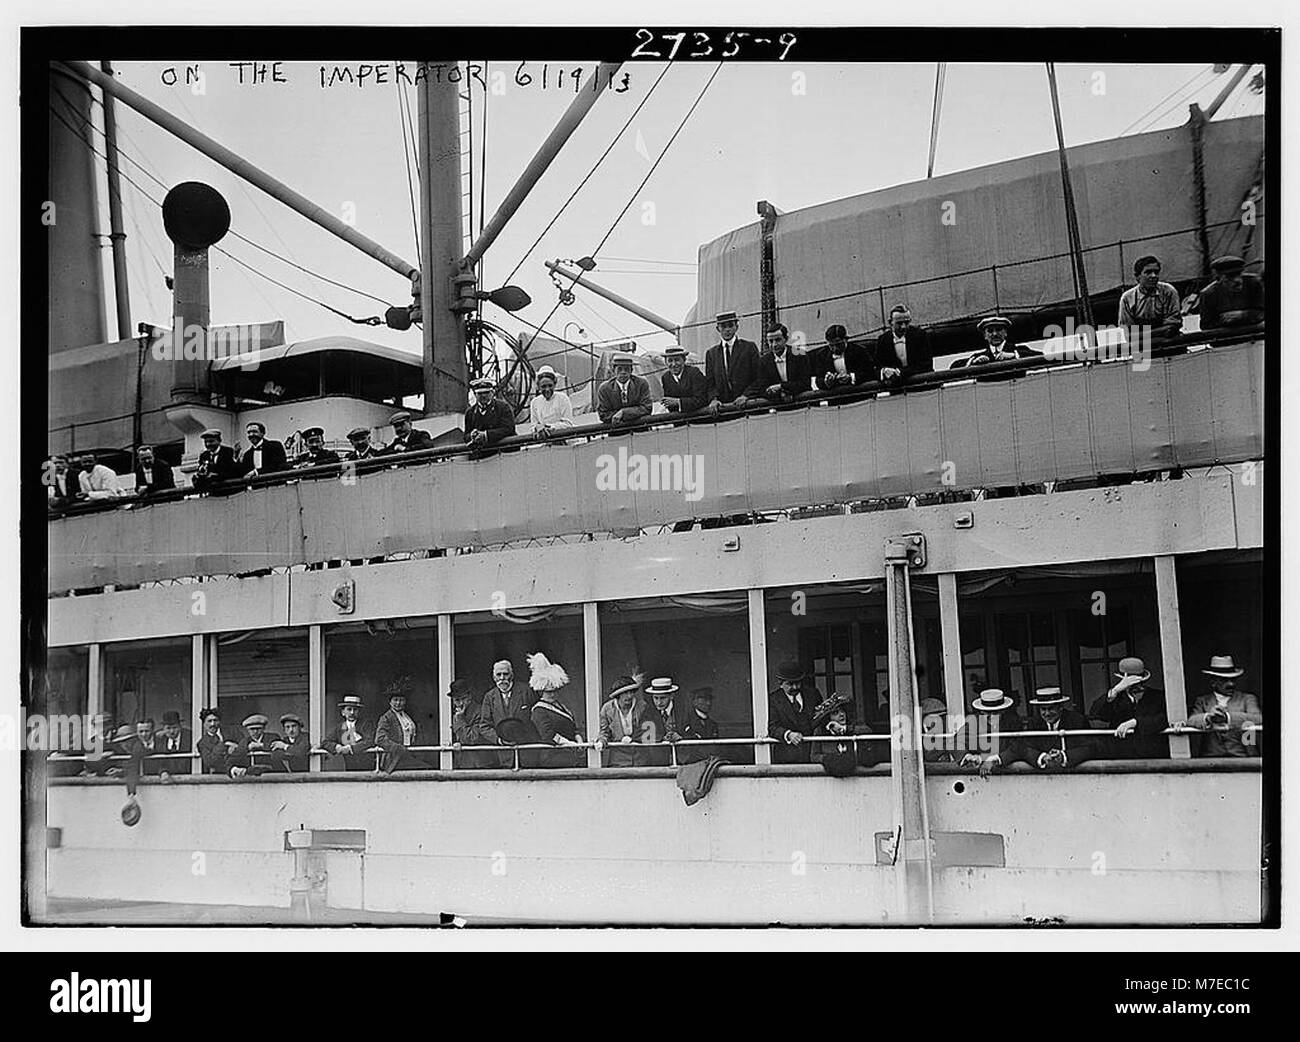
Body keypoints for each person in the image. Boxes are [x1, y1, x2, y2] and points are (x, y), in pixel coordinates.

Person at [1090, 656, 1169, 759]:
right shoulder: (1116, 698)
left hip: (1151, 755)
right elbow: (1097, 714)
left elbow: (1164, 719)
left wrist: (1136, 722)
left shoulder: (1157, 697)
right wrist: (1114, 691)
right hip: (1121, 754)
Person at [1185, 654, 1262, 758]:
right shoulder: (1202, 701)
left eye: (1233, 680)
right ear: (1213, 682)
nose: (1231, 684)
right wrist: (1208, 717)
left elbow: (1258, 718)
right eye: (1224, 680)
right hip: (1210, 759)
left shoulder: (1247, 699)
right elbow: (1191, 720)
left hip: (1243, 757)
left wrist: (1227, 717)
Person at [527, 652, 585, 768]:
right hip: (552, 756)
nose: (553, 694)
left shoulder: (562, 706)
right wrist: (568, 744)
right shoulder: (539, 710)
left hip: (570, 753)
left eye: (555, 691)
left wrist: (579, 740)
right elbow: (548, 734)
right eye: (549, 692)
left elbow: (573, 728)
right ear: (541, 691)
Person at [1021, 687, 1094, 771]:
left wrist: (1063, 756)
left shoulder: (1077, 721)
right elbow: (1024, 748)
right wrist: (1042, 757)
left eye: (1051, 708)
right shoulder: (1033, 723)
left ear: (1061, 707)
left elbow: (1089, 748)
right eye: (1043, 709)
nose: (1047, 713)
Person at [956, 688, 1026, 775]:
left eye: (995, 713)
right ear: (982, 712)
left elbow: (1018, 747)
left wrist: (994, 760)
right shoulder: (974, 723)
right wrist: (967, 756)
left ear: (1003, 711)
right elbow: (957, 741)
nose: (992, 716)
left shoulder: (1013, 723)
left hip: (1010, 774)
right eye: (987, 713)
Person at [478, 659, 534, 765]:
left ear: (511, 675)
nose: (502, 678)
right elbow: (484, 726)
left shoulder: (526, 691)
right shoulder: (489, 697)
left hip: (526, 752)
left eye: (505, 674)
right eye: (499, 675)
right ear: (494, 678)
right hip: (504, 756)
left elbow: (535, 718)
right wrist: (499, 740)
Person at [704, 310, 762, 411]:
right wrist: (714, 399)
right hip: (724, 409)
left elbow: (759, 377)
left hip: (747, 407)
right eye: (723, 326)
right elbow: (710, 383)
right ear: (718, 329)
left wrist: (746, 396)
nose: (727, 330)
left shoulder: (749, 348)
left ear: (736, 327)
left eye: (730, 326)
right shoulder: (711, 354)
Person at [812, 692, 882, 775]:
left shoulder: (852, 725)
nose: (841, 715)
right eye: (835, 713)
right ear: (828, 718)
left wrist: (845, 728)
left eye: (842, 711)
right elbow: (814, 756)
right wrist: (829, 759)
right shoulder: (820, 731)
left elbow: (867, 730)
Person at [1116, 255, 1183, 342]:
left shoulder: (1169, 292)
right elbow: (1129, 335)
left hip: (1170, 344)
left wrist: (1141, 335)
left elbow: (1172, 327)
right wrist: (1161, 331)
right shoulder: (1127, 298)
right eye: (1148, 272)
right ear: (1137, 276)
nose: (1153, 276)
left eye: (1156, 272)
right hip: (1142, 348)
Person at [375, 679, 433, 774]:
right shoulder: (386, 718)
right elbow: (380, 739)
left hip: (408, 755)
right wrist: (398, 748)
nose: (398, 703)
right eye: (395, 700)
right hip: (394, 758)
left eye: (401, 700)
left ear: (405, 702)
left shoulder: (407, 716)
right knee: (426, 769)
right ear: (390, 702)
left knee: (427, 769)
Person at [768, 659, 818, 764]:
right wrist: (788, 734)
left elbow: (822, 719)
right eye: (790, 684)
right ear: (780, 683)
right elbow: (772, 727)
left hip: (813, 755)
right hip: (787, 758)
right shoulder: (773, 700)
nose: (795, 687)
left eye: (798, 683)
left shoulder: (813, 694)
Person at [596, 675, 651, 767]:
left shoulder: (642, 706)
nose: (629, 696)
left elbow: (648, 733)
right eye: (625, 693)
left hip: (640, 759)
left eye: (631, 692)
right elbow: (605, 732)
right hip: (618, 760)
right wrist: (601, 741)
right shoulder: (607, 709)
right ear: (618, 695)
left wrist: (634, 739)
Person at [1198, 255, 1264, 331]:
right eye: (1230, 276)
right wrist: (1226, 322)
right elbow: (1206, 326)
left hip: (1255, 336)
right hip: (1226, 340)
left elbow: (1262, 313)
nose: (1237, 280)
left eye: (1239, 274)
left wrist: (1242, 315)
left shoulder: (1254, 283)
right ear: (1218, 278)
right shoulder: (1208, 294)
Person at [951, 316, 1040, 369]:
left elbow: (1041, 356)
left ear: (1005, 333)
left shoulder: (1018, 350)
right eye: (990, 331)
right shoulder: (978, 356)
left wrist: (1014, 355)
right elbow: (954, 366)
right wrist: (973, 362)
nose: (994, 334)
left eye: (998, 330)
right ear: (985, 336)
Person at [874, 305, 934, 383]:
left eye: (906, 322)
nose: (903, 327)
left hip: (921, 385)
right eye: (899, 323)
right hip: (896, 389)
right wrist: (884, 371)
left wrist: (900, 372)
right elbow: (877, 367)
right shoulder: (883, 340)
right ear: (890, 322)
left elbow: (926, 364)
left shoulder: (920, 335)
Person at [755, 323, 814, 403]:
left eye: (778, 340)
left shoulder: (800, 355)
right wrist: (780, 394)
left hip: (802, 404)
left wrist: (782, 387)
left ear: (786, 339)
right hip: (778, 407)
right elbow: (762, 389)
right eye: (771, 341)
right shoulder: (764, 361)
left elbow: (805, 383)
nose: (774, 345)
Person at [810, 324, 875, 392]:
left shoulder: (859, 351)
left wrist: (851, 377)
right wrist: (827, 382)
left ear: (846, 339)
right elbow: (818, 379)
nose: (835, 349)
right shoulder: (821, 356)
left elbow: (870, 372)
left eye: (839, 344)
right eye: (831, 345)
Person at [448, 678, 495, 769]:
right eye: (457, 700)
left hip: (480, 764)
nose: (460, 703)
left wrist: (460, 719)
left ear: (470, 697)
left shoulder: (480, 711)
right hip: (462, 763)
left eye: (463, 699)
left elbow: (472, 738)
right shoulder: (453, 713)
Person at [320, 693, 375, 772]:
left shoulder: (366, 725)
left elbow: (370, 741)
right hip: (349, 768)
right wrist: (337, 747)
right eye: (349, 709)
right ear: (343, 712)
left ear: (359, 712)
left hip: (368, 767)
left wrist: (350, 748)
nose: (352, 712)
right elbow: (325, 742)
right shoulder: (340, 728)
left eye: (355, 710)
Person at [596, 352, 653, 427]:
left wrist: (623, 413)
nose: (623, 372)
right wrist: (625, 414)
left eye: (626, 369)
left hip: (640, 429)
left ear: (631, 370)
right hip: (616, 432)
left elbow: (647, 408)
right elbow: (603, 414)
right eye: (619, 369)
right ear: (613, 370)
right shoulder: (604, 388)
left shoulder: (641, 384)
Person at [465, 377, 517, 448]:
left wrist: (486, 435)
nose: (483, 396)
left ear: (492, 393)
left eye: (486, 392)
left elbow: (508, 429)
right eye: (480, 393)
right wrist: (472, 435)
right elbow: (466, 436)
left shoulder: (503, 407)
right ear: (475, 394)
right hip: (482, 453)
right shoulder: (470, 413)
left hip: (503, 451)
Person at [660, 346, 710, 416]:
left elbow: (702, 399)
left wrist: (678, 402)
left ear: (684, 360)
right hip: (680, 422)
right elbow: (669, 403)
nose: (674, 364)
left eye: (677, 360)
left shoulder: (694, 373)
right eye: (670, 361)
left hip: (698, 419)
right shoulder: (665, 377)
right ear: (665, 363)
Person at [677, 685, 720, 764]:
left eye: (709, 699)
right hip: (691, 763)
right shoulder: (685, 721)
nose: (708, 703)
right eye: (704, 699)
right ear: (694, 701)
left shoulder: (713, 725)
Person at [529, 365, 575, 437]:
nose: (547, 389)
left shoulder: (563, 398)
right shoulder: (534, 402)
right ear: (539, 387)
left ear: (554, 385)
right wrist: (537, 428)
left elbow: (568, 424)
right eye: (543, 386)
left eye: (550, 385)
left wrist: (549, 427)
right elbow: (534, 425)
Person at [196, 708, 238, 775]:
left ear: (219, 721)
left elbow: (243, 744)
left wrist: (236, 746)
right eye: (209, 721)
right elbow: (210, 762)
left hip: (239, 772)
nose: (213, 724)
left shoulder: (231, 732)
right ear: (204, 724)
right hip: (220, 775)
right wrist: (225, 745)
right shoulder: (203, 743)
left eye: (215, 720)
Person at [156, 709, 192, 775]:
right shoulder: (159, 741)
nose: (172, 731)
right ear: (163, 728)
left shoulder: (190, 738)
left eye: (175, 727)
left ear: (180, 726)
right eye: (168, 728)